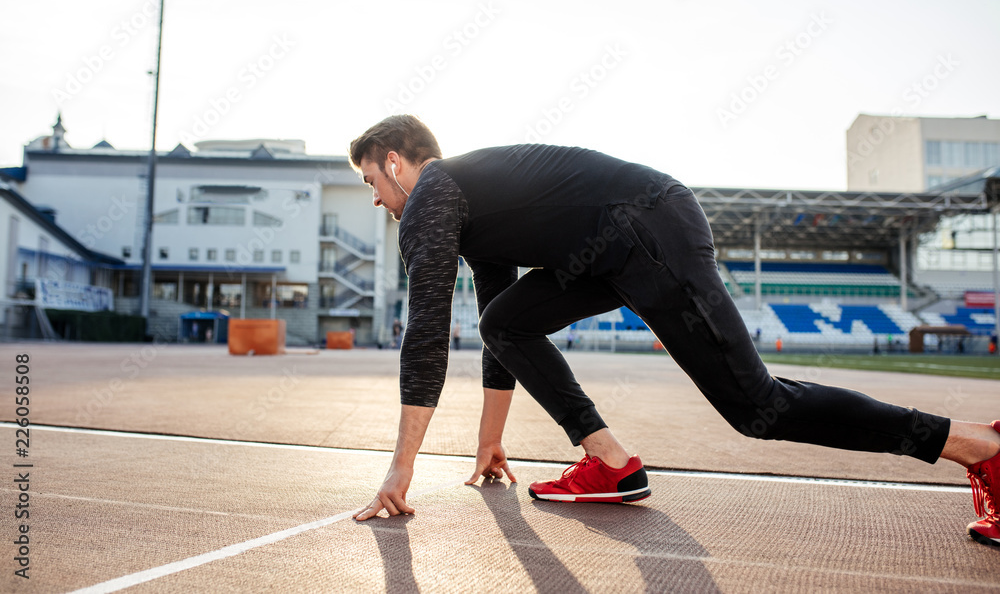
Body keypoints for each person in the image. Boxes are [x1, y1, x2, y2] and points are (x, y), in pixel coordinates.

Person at [347, 115, 999, 547]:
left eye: (372, 180)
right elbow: (500, 328)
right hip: (615, 246)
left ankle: (978, 446)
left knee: (759, 407)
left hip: (644, 227)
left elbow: (426, 330)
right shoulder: (469, 204)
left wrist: (400, 471)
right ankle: (610, 461)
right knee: (505, 321)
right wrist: (490, 442)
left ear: (396, 162)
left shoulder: (433, 194)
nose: (375, 197)